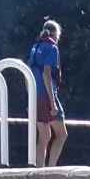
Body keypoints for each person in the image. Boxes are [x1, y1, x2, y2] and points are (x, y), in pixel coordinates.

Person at [28, 18, 68, 166]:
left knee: (44, 136)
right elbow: (46, 73)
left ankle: (40, 170)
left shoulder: (35, 46)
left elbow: (28, 73)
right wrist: (52, 103)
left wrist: (31, 97)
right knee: (62, 135)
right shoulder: (52, 48)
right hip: (47, 95)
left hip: (35, 96)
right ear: (54, 34)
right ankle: (51, 170)